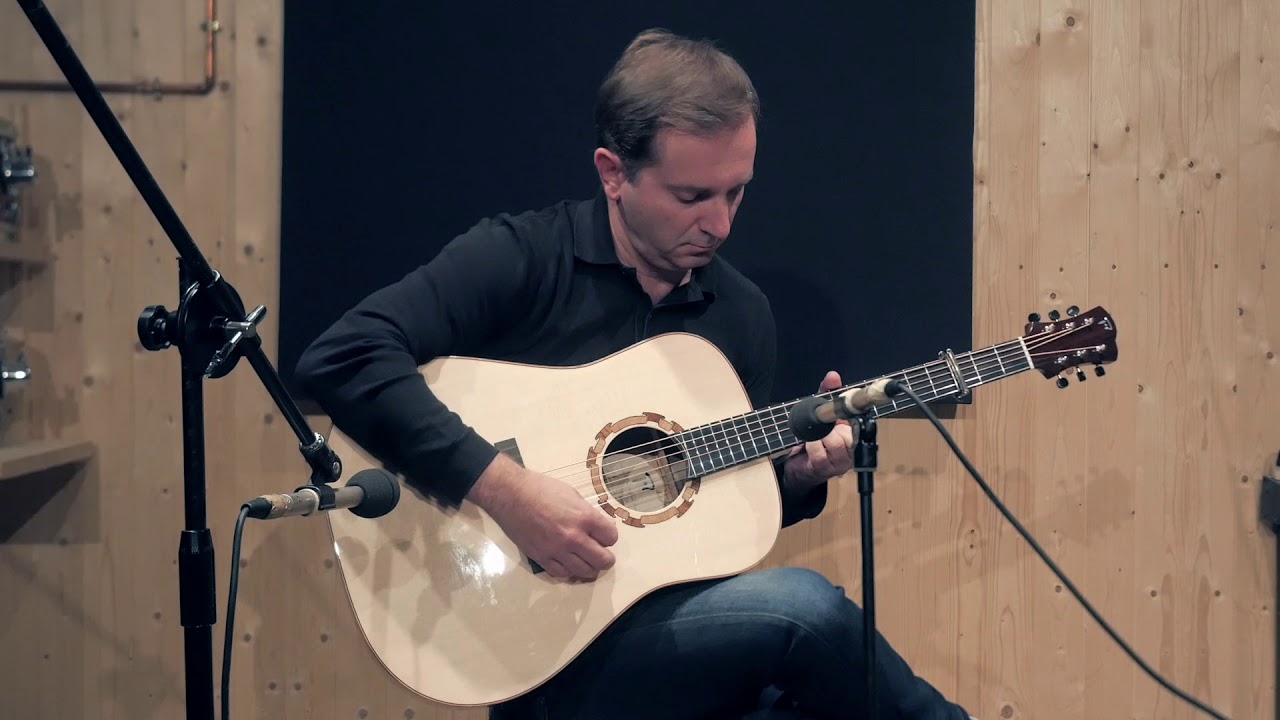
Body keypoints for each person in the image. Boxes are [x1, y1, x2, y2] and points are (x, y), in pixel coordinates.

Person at [294, 28, 975, 720]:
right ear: (613, 173)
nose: (720, 224)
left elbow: (715, 509)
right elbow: (343, 356)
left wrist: (797, 476)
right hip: (538, 649)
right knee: (809, 611)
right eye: (692, 196)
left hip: (675, 636)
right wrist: (507, 492)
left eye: (736, 193)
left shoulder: (738, 314)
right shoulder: (522, 259)